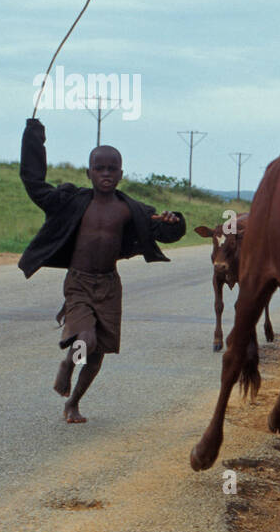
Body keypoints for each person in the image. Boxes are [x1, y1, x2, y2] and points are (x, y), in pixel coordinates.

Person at [18, 117, 185, 422]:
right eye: (100, 168)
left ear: (121, 173)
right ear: (89, 172)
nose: (106, 174)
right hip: (79, 283)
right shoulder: (71, 202)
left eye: (112, 169)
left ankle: (73, 403)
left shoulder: (130, 209)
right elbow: (34, 184)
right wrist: (33, 137)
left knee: (97, 354)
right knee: (87, 340)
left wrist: (175, 221)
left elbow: (165, 232)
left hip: (109, 286)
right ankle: (68, 362)